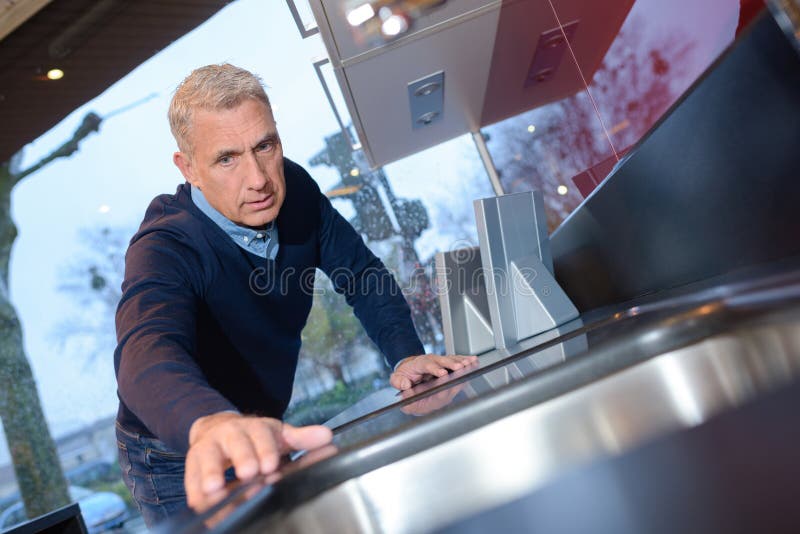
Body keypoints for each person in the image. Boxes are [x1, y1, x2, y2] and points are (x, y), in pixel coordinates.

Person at [113, 63, 476, 527]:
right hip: (177, 452)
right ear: (189, 169)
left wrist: (405, 354)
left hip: (261, 424)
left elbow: (361, 274)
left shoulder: (295, 189)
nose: (259, 179)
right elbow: (144, 352)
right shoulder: (166, 246)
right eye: (227, 159)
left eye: (265, 146)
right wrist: (212, 424)